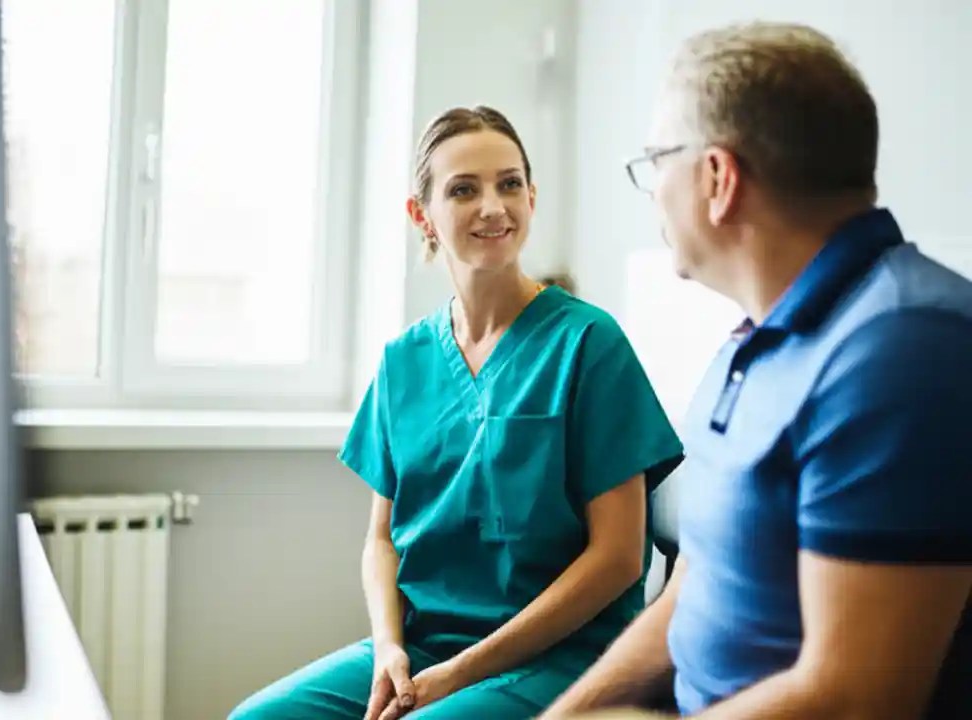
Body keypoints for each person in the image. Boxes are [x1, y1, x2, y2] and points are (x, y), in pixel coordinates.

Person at [543, 22, 972, 720]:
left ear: (718, 178)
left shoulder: (903, 349)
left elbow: (861, 696)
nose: (650, 189)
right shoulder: (750, 345)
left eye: (656, 160)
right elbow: (696, 586)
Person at [230, 106, 683, 720]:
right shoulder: (404, 360)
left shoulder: (588, 344)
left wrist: (463, 673)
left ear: (532, 195)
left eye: (510, 183)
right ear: (422, 215)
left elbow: (619, 558)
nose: (493, 206)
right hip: (423, 645)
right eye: (464, 190)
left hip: (562, 653)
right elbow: (380, 540)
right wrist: (391, 649)